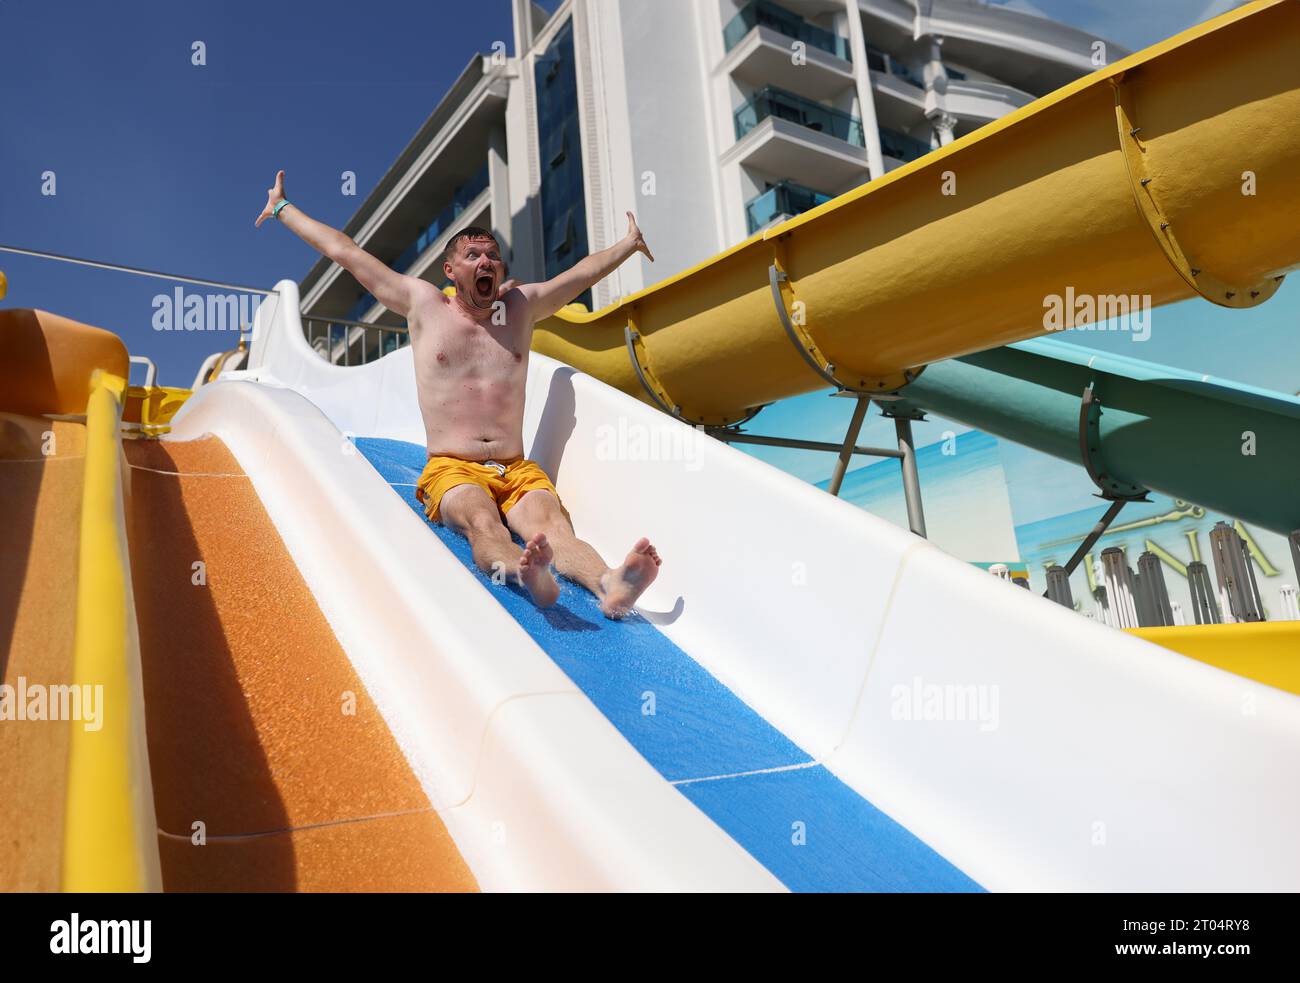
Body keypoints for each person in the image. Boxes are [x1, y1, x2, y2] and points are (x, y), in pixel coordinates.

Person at [256, 170, 661, 618]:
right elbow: (345, 252)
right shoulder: (423, 305)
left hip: (515, 467)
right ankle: (523, 572)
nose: (486, 262)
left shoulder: (521, 308)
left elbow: (579, 276)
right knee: (481, 520)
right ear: (450, 271)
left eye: (493, 256)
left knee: (552, 526)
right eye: (473, 255)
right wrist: (282, 209)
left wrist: (628, 245)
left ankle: (610, 584)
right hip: (452, 466)